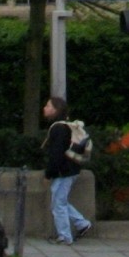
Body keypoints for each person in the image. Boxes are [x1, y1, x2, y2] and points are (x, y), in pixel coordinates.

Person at [40, 95, 91, 246]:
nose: (45, 108)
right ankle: (82, 224)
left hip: (63, 172)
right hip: (71, 170)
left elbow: (56, 154)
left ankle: (65, 236)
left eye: (48, 106)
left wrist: (48, 174)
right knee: (60, 202)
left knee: (58, 204)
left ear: (56, 110)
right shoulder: (66, 126)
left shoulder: (58, 128)